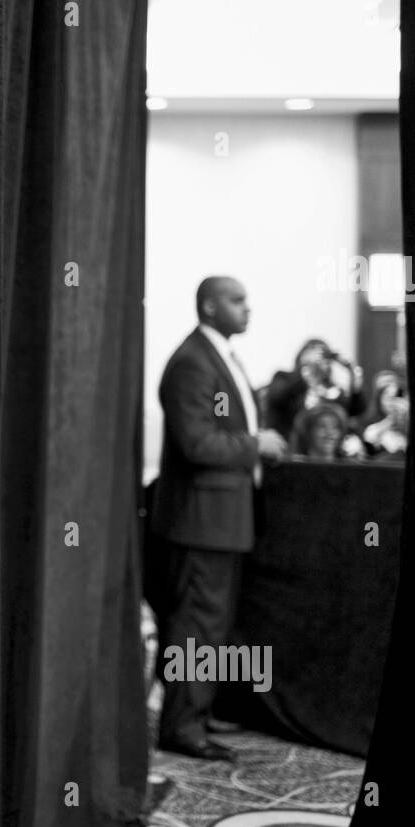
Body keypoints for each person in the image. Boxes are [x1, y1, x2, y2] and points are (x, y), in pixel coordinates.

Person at [149, 277, 288, 762]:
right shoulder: (192, 361)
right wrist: (258, 446)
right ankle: (182, 726)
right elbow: (197, 443)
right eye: (237, 300)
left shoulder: (219, 355)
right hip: (200, 520)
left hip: (222, 520)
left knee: (210, 624)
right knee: (196, 625)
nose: (248, 308)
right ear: (209, 307)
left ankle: (197, 711)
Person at [263, 338, 366, 437]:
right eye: (313, 354)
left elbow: (354, 413)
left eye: (323, 357)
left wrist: (353, 377)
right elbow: (278, 397)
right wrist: (305, 371)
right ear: (302, 356)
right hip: (289, 446)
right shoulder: (283, 378)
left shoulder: (333, 391)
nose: (318, 362)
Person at [358, 370, 409, 458]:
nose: (392, 401)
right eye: (387, 396)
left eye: (396, 396)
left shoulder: (408, 422)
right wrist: (392, 419)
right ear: (379, 398)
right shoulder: (368, 425)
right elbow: (369, 438)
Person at [290, 402, 367, 460]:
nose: (330, 433)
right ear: (309, 431)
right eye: (322, 426)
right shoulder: (294, 466)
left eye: (335, 427)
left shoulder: (349, 466)